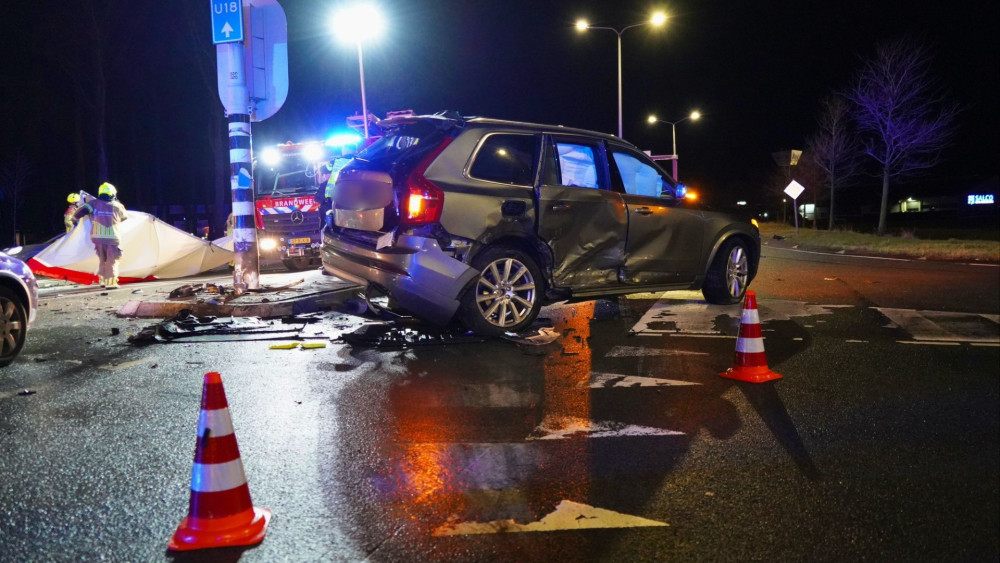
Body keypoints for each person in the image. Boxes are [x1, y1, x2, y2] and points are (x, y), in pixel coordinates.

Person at [73, 182, 128, 288]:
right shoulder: (118, 206)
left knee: (102, 259)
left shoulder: (93, 204)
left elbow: (79, 212)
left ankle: (102, 280)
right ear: (113, 194)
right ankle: (111, 282)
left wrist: (75, 220)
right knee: (112, 260)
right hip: (112, 237)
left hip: (97, 237)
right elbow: (124, 217)